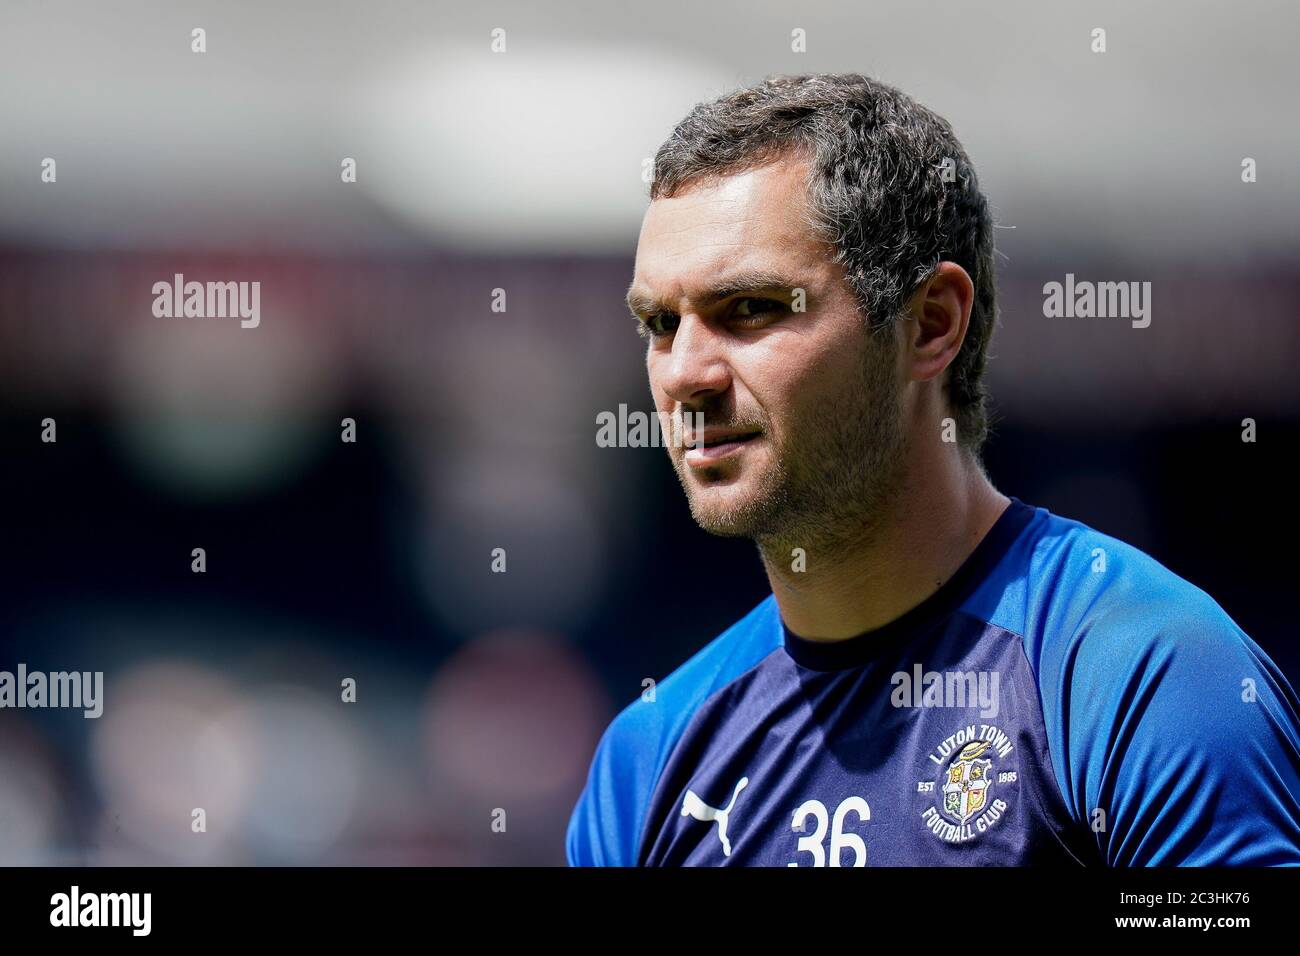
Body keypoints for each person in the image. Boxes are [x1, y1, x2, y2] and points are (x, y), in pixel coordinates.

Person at [567, 73, 1300, 866]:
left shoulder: (1145, 677)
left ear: (931, 324)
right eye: (662, 324)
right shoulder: (646, 760)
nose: (686, 375)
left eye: (752, 309)